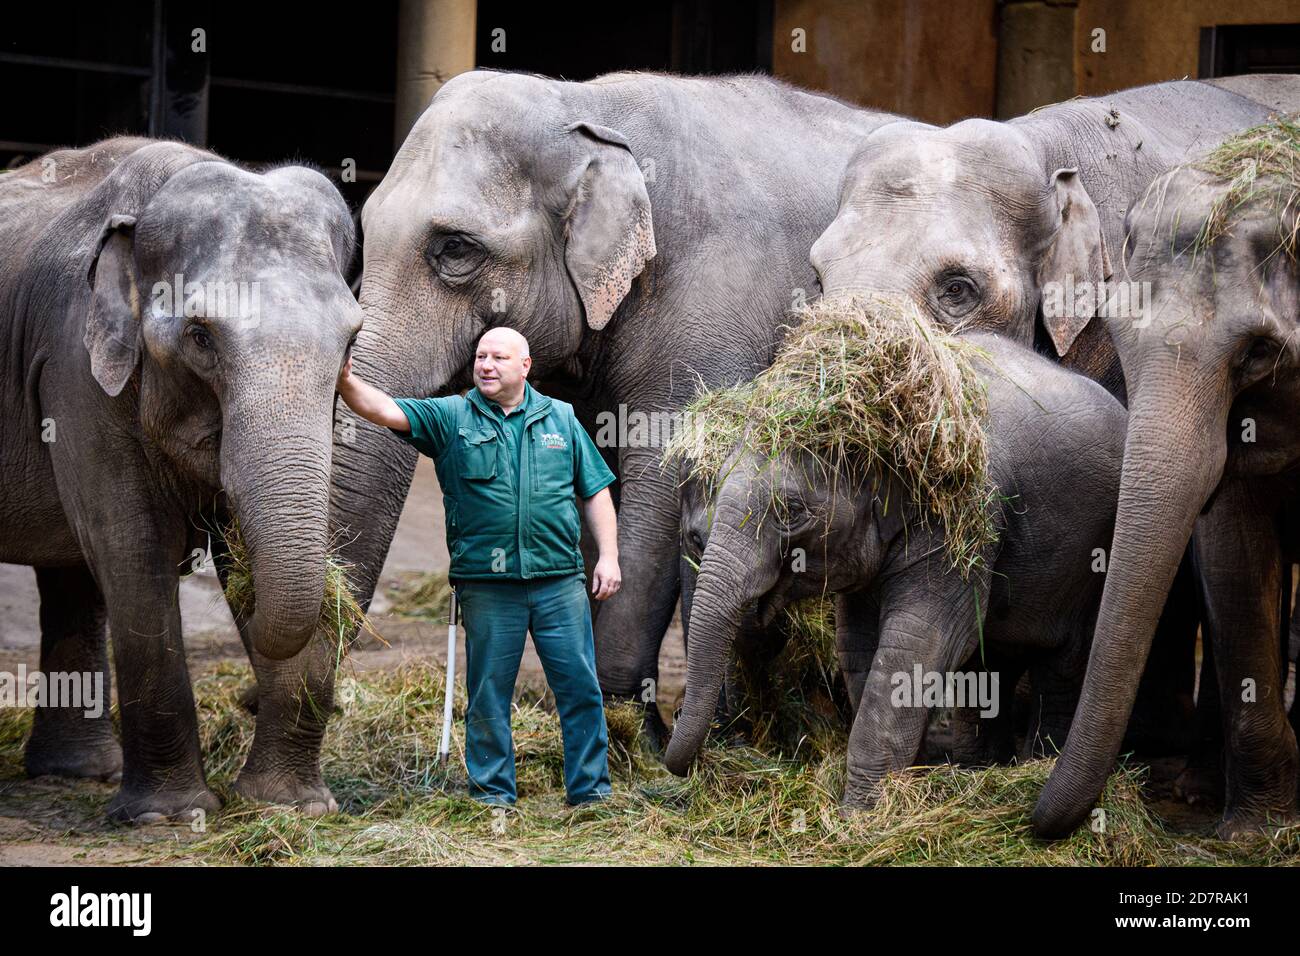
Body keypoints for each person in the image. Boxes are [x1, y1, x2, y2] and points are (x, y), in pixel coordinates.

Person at [336, 327, 620, 806]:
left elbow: (594, 490)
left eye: (499, 358)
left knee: (580, 688)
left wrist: (608, 556)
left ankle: (590, 794)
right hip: (489, 587)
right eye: (481, 357)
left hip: (559, 581)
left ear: (525, 366)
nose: (486, 365)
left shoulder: (563, 420)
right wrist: (344, 381)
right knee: (489, 693)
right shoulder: (452, 417)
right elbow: (384, 409)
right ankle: (492, 795)